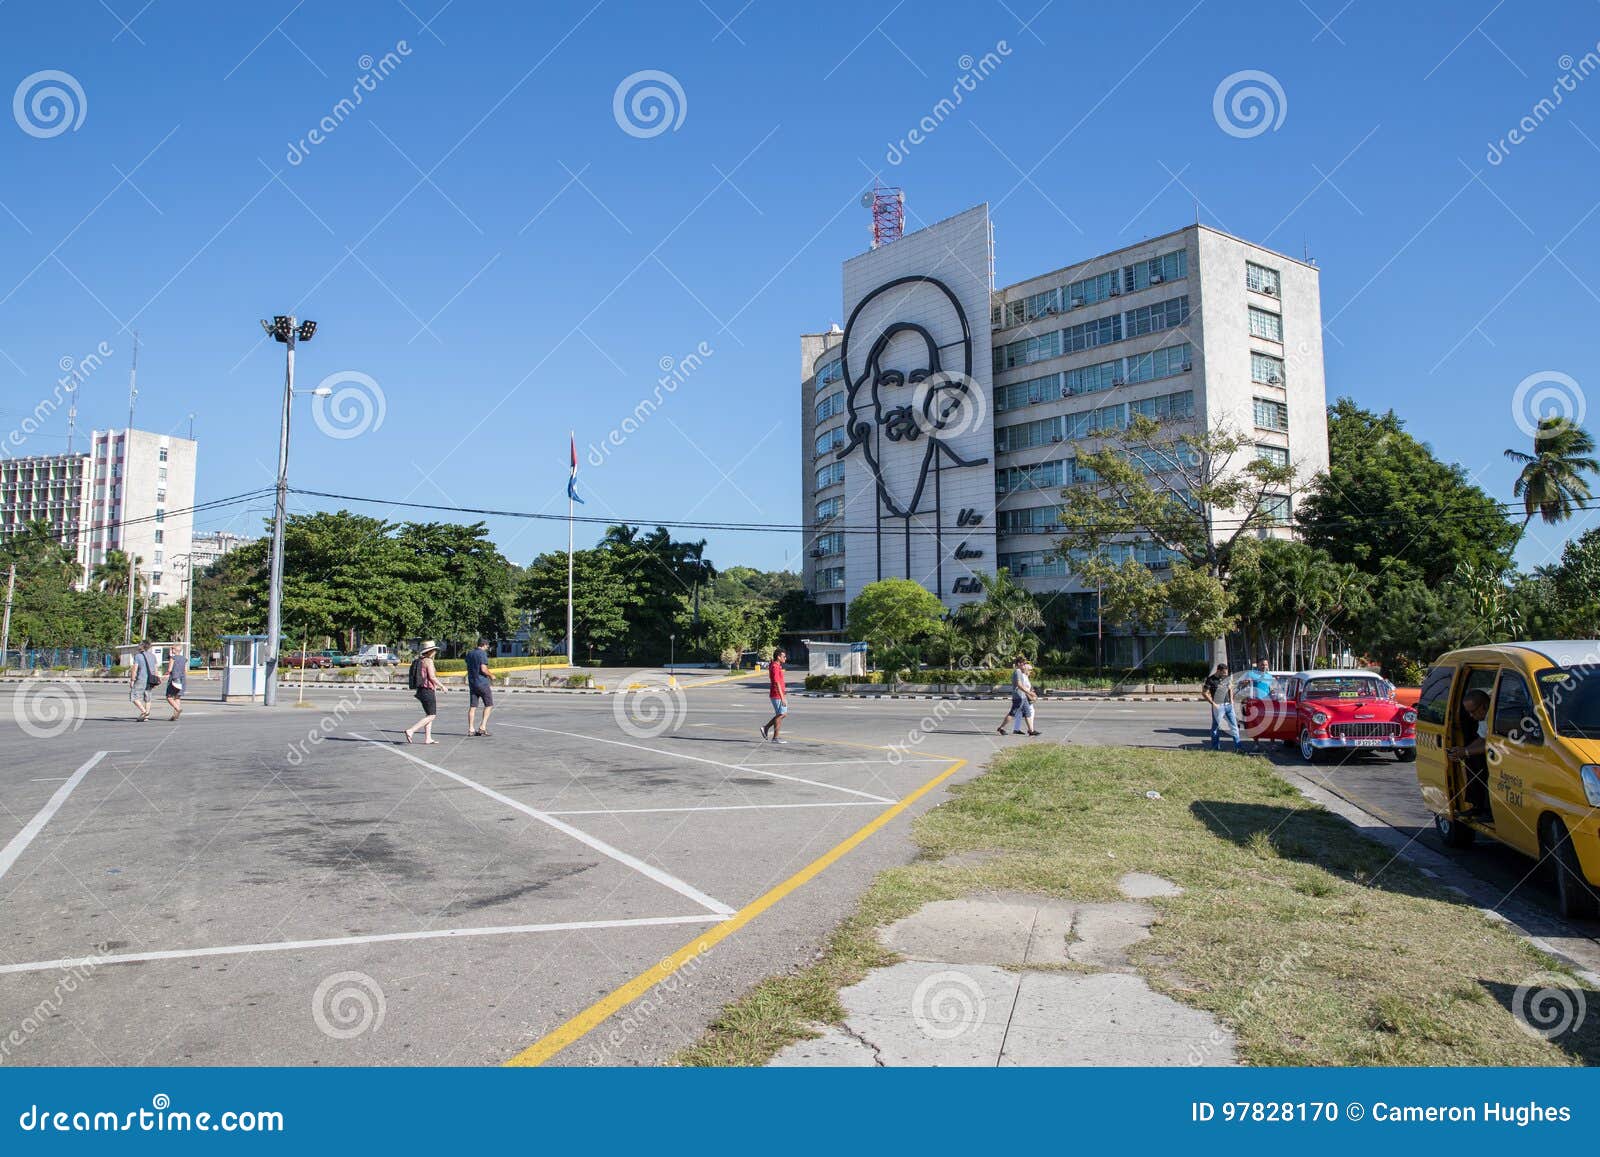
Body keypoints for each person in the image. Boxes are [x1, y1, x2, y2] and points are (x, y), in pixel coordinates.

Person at [1446, 688, 1493, 820]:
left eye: (1472, 712)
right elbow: (1482, 738)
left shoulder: (1493, 717)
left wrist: (1466, 751)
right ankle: (1477, 806)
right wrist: (1463, 751)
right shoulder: (1483, 718)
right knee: (1472, 759)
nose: (1471, 716)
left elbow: (1492, 744)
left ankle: (1488, 811)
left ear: (1484, 706)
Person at [404, 641, 441, 745]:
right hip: (427, 690)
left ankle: (428, 738)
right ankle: (411, 730)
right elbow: (432, 677)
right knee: (432, 715)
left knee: (428, 714)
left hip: (420, 690)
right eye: (434, 650)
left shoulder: (420, 661)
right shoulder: (429, 661)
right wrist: (442, 686)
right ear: (430, 651)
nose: (435, 652)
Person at [1202, 662, 1242, 752]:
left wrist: (1231, 699)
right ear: (1218, 671)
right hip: (1218, 706)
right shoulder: (1211, 680)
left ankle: (1238, 747)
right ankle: (1215, 748)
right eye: (1223, 673)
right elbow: (1204, 693)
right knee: (1216, 727)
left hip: (1228, 705)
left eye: (1226, 673)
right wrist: (1213, 703)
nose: (1225, 675)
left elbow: (1230, 688)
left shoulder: (1226, 678)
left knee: (1234, 726)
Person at [996, 657, 1041, 737]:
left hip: (1023, 697)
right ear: (1019, 664)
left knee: (1028, 713)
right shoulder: (1017, 671)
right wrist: (1030, 693)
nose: (1024, 666)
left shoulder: (1020, 672)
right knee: (1012, 713)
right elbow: (1019, 685)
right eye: (1023, 664)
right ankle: (1001, 728)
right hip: (1018, 696)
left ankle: (1031, 730)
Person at [465, 637, 494, 737]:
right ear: (484, 645)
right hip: (482, 683)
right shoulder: (482, 654)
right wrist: (491, 675)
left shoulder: (469, 654)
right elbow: (483, 669)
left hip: (472, 683)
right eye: (487, 646)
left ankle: (471, 729)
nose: (487, 647)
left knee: (473, 706)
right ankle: (482, 727)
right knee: (489, 705)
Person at [761, 648, 788, 743]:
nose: (785, 658)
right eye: (784, 656)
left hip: (778, 694)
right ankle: (774, 736)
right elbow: (777, 683)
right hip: (777, 694)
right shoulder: (775, 667)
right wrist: (782, 697)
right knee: (782, 714)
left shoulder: (776, 665)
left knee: (780, 714)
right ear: (778, 657)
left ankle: (768, 730)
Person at [128, 640, 158, 722]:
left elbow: (135, 669)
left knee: (133, 696)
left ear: (141, 646)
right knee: (147, 698)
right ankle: (146, 716)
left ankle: (144, 712)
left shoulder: (138, 656)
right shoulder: (153, 656)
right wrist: (156, 679)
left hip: (141, 678)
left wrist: (132, 680)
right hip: (151, 679)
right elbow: (156, 669)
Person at [163, 649, 186, 721]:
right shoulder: (184, 659)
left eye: (172, 649)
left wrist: (165, 674)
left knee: (169, 697)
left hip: (174, 679)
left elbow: (169, 669)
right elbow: (185, 670)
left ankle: (178, 709)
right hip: (182, 679)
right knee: (177, 697)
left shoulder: (173, 658)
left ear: (174, 650)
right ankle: (175, 715)